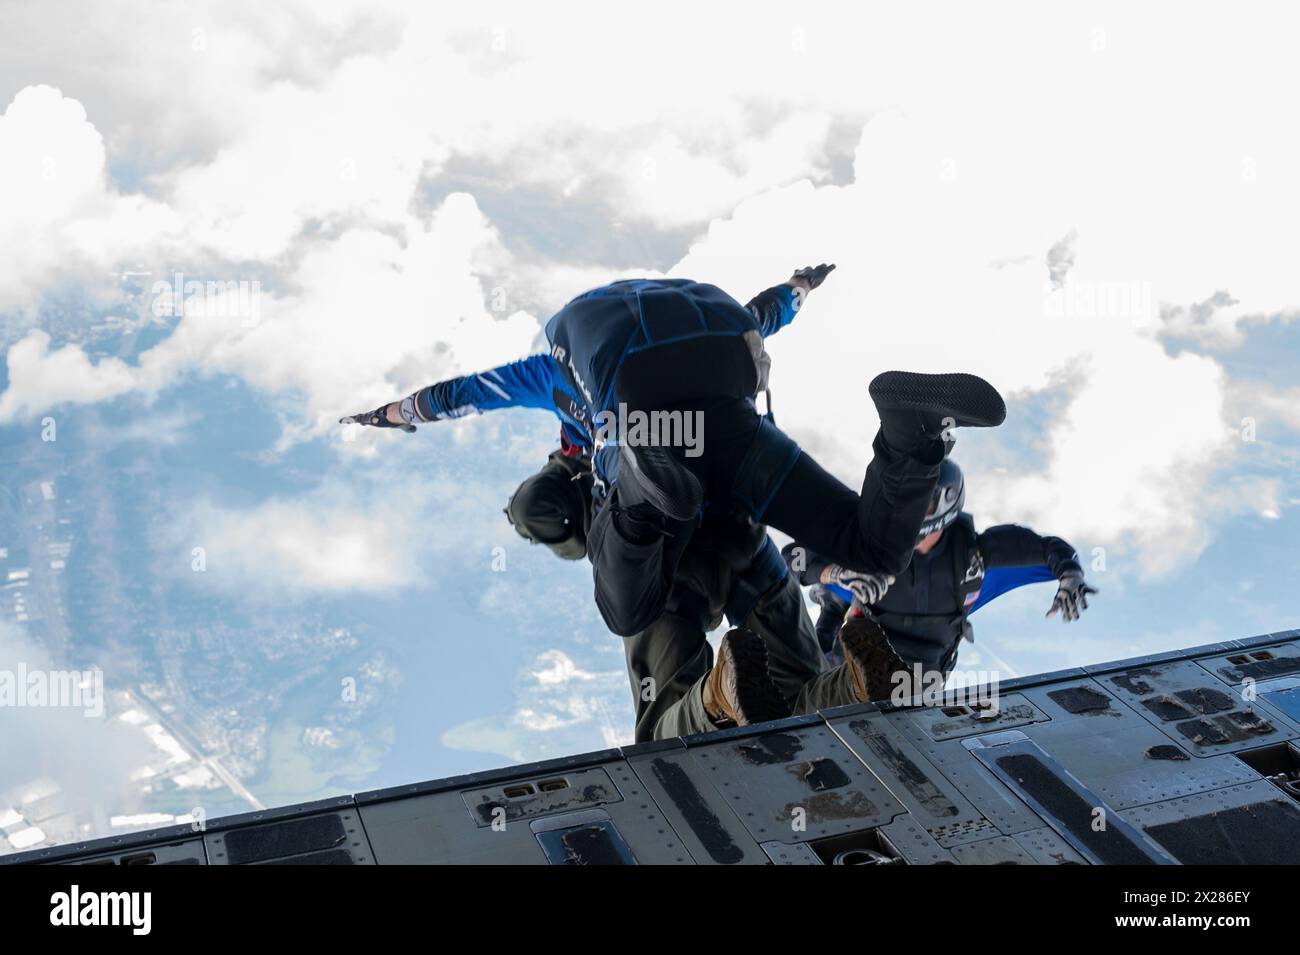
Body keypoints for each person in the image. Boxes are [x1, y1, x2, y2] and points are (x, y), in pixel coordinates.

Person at [343, 266, 1006, 696]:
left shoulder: (550, 368)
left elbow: (460, 394)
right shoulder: (654, 322)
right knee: (872, 546)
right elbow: (765, 311)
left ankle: (645, 487)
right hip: (726, 382)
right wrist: (803, 284)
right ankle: (911, 434)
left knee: (626, 607)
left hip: (644, 410)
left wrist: (391, 414)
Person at [506, 447, 865, 741]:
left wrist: (585, 535)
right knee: (806, 693)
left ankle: (720, 695)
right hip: (745, 546)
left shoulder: (585, 431)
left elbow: (531, 505)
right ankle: (852, 685)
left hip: (661, 578)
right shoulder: (597, 397)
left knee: (665, 744)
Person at [781, 459, 1097, 688]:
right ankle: (824, 624)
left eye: (922, 503)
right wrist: (832, 572)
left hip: (922, 679)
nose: (910, 513)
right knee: (816, 679)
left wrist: (1070, 576)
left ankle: (830, 619)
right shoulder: (870, 545)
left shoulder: (974, 554)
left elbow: (1049, 547)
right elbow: (791, 559)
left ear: (946, 503)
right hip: (856, 659)